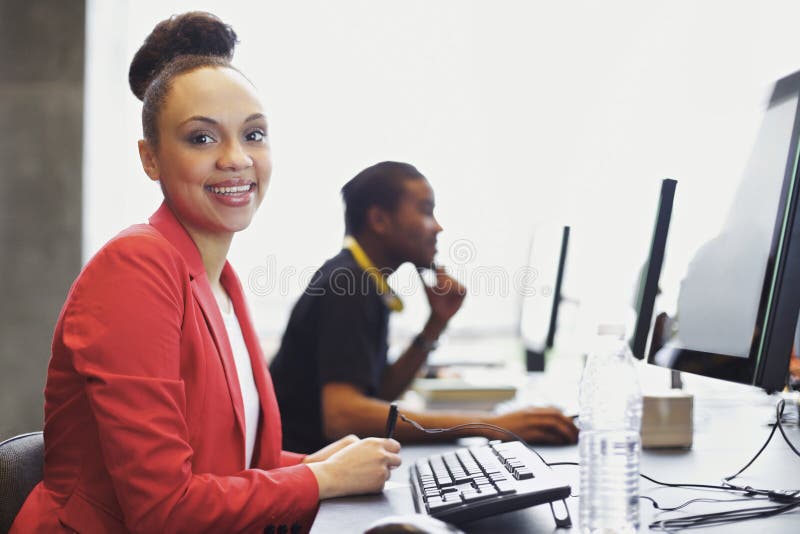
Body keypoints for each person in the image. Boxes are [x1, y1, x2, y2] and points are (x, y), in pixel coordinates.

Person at [10, 12, 400, 534]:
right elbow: (165, 510)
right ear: (150, 158)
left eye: (253, 134)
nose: (236, 159)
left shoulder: (221, 282)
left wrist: (316, 466)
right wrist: (321, 481)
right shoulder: (135, 269)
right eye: (201, 139)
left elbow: (225, 467)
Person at [269, 161, 579, 455]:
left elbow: (376, 395)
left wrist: (436, 323)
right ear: (379, 220)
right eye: (426, 211)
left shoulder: (362, 279)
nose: (438, 227)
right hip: (306, 475)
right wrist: (488, 425)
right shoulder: (349, 284)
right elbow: (343, 417)